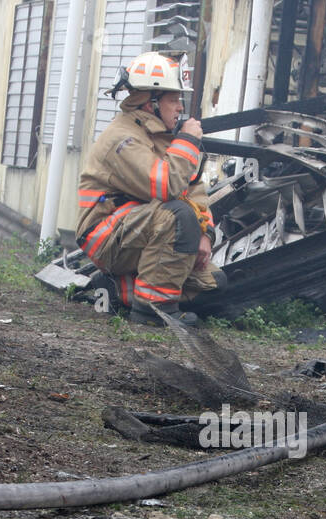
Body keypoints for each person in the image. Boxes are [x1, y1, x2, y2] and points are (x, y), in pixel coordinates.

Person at [75, 53, 227, 326]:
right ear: (150, 102)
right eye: (173, 100)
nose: (180, 108)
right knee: (178, 215)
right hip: (105, 237)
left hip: (140, 230)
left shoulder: (162, 137)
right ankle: (152, 310)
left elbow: (194, 191)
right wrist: (189, 141)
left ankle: (120, 290)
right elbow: (167, 186)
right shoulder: (123, 139)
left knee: (212, 284)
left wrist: (206, 235)